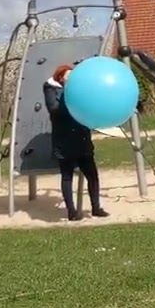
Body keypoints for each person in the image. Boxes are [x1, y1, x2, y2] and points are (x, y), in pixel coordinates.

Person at [43, 63, 109, 221]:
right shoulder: (51, 90)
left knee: (92, 176)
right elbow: (54, 109)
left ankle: (96, 207)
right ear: (61, 78)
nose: (72, 79)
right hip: (64, 140)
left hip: (82, 138)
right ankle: (71, 211)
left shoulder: (80, 90)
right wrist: (69, 94)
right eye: (68, 76)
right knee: (67, 177)